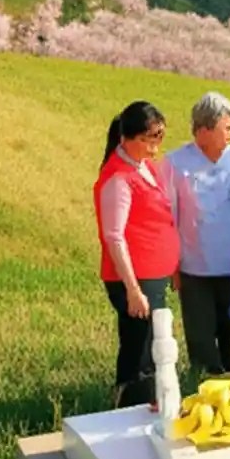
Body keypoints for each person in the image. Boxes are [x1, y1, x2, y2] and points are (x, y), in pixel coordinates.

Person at [159, 92, 230, 378]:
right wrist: (173, 267)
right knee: (201, 335)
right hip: (195, 268)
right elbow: (169, 218)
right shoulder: (175, 164)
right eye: (226, 128)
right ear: (203, 131)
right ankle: (203, 384)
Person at [93, 100, 180, 409]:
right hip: (134, 279)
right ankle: (130, 403)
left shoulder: (143, 167)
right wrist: (133, 289)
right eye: (147, 139)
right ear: (125, 138)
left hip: (152, 275)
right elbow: (114, 236)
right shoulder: (118, 179)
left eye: (158, 138)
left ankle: (147, 401)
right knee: (139, 347)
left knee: (150, 343)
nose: (154, 148)